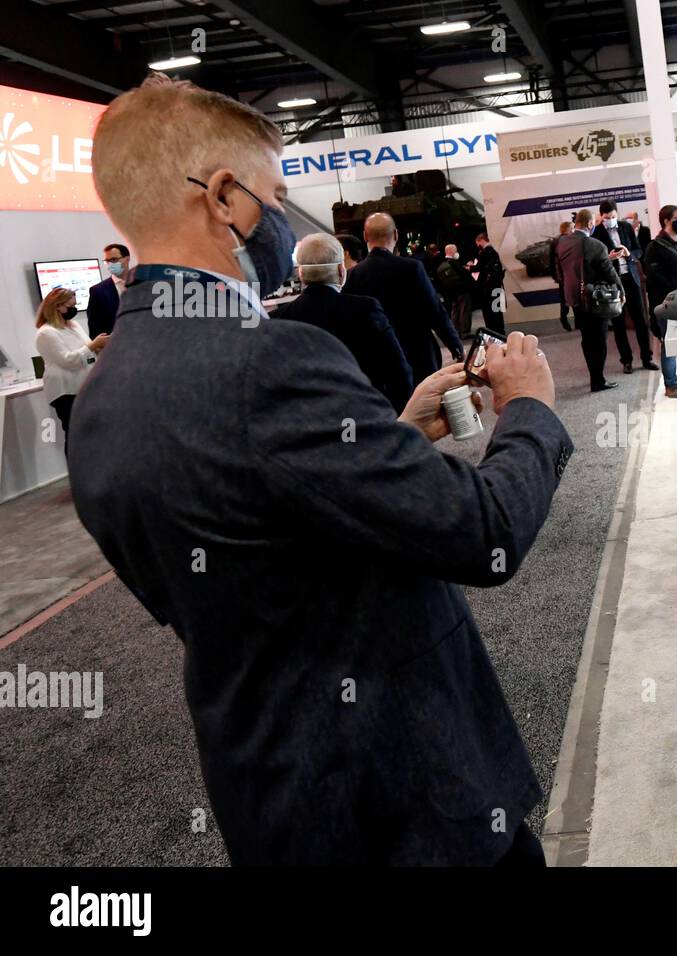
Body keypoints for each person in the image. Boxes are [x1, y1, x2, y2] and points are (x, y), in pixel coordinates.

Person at [73, 74, 572, 866]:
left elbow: (235, 555)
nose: (279, 217)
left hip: (271, 793)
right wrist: (529, 411)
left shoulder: (99, 400)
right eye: (275, 195)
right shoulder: (271, 361)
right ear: (225, 199)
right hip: (404, 794)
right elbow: (485, 533)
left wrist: (391, 437)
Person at [271, 233, 413, 412]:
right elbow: (397, 369)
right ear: (341, 270)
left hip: (309, 423)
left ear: (301, 273)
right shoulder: (365, 309)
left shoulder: (278, 319)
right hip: (366, 415)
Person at [343, 212, 462, 382]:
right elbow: (435, 310)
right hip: (418, 355)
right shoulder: (412, 268)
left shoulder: (352, 276)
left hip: (378, 361)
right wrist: (455, 345)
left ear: (365, 236)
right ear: (396, 235)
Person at [34, 287, 108, 455]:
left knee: (92, 433)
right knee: (75, 434)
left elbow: (86, 349)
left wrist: (97, 348)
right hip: (65, 391)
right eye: (70, 306)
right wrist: (92, 345)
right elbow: (68, 361)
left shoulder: (73, 325)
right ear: (57, 306)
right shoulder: (46, 333)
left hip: (84, 387)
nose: (73, 309)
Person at [554, 208, 620, 392]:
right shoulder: (595, 244)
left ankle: (595, 377)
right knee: (599, 340)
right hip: (594, 298)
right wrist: (621, 291)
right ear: (591, 224)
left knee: (587, 339)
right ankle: (598, 380)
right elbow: (609, 273)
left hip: (574, 297)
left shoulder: (562, 242)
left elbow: (565, 268)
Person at [592, 199, 657, 374]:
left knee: (641, 321)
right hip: (612, 282)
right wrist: (608, 258)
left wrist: (629, 254)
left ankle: (646, 357)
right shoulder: (596, 233)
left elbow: (638, 250)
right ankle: (626, 361)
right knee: (618, 323)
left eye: (612, 216)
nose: (610, 220)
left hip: (631, 278)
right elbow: (595, 260)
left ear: (617, 214)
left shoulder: (626, 228)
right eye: (606, 217)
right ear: (601, 216)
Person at [643, 204, 677, 399]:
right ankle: (671, 385)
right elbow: (654, 278)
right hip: (667, 303)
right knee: (670, 344)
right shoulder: (654, 248)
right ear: (666, 221)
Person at [470, 232, 505, 336]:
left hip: (489, 289)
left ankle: (493, 331)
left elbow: (479, 267)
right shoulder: (493, 252)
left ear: (481, 240)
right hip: (497, 287)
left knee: (490, 312)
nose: (477, 246)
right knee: (497, 310)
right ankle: (500, 331)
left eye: (477, 243)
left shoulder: (486, 252)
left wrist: (470, 267)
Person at [436, 243, 474, 338]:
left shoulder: (442, 265)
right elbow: (464, 276)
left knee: (455, 311)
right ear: (452, 251)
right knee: (464, 311)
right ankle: (465, 332)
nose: (457, 252)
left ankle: (456, 331)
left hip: (450, 293)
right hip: (462, 291)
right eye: (456, 250)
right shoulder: (454, 263)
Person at [550, 220, 574, 331]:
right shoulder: (562, 241)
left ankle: (570, 320)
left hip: (565, 275)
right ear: (567, 229)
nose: (574, 230)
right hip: (565, 275)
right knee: (566, 300)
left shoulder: (559, 240)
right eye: (572, 228)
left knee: (569, 299)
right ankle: (564, 319)